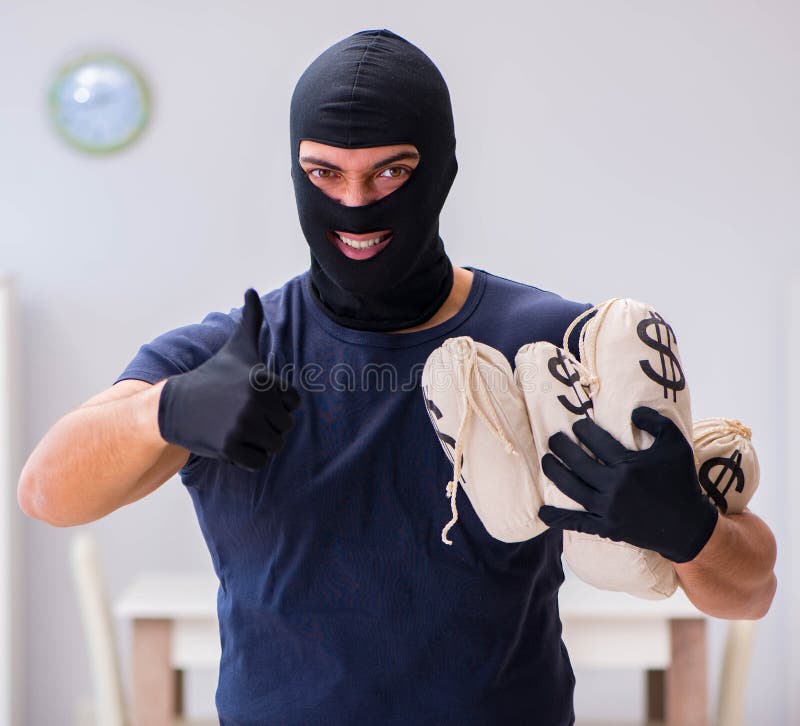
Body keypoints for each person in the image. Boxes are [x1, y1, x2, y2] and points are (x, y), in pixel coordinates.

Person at [18, 29, 776, 726]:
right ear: (296, 172)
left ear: (441, 168)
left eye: (389, 171)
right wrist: (166, 411)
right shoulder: (237, 356)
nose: (353, 202)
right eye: (324, 172)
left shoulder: (553, 345)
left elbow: (752, 591)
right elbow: (45, 492)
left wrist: (691, 528)